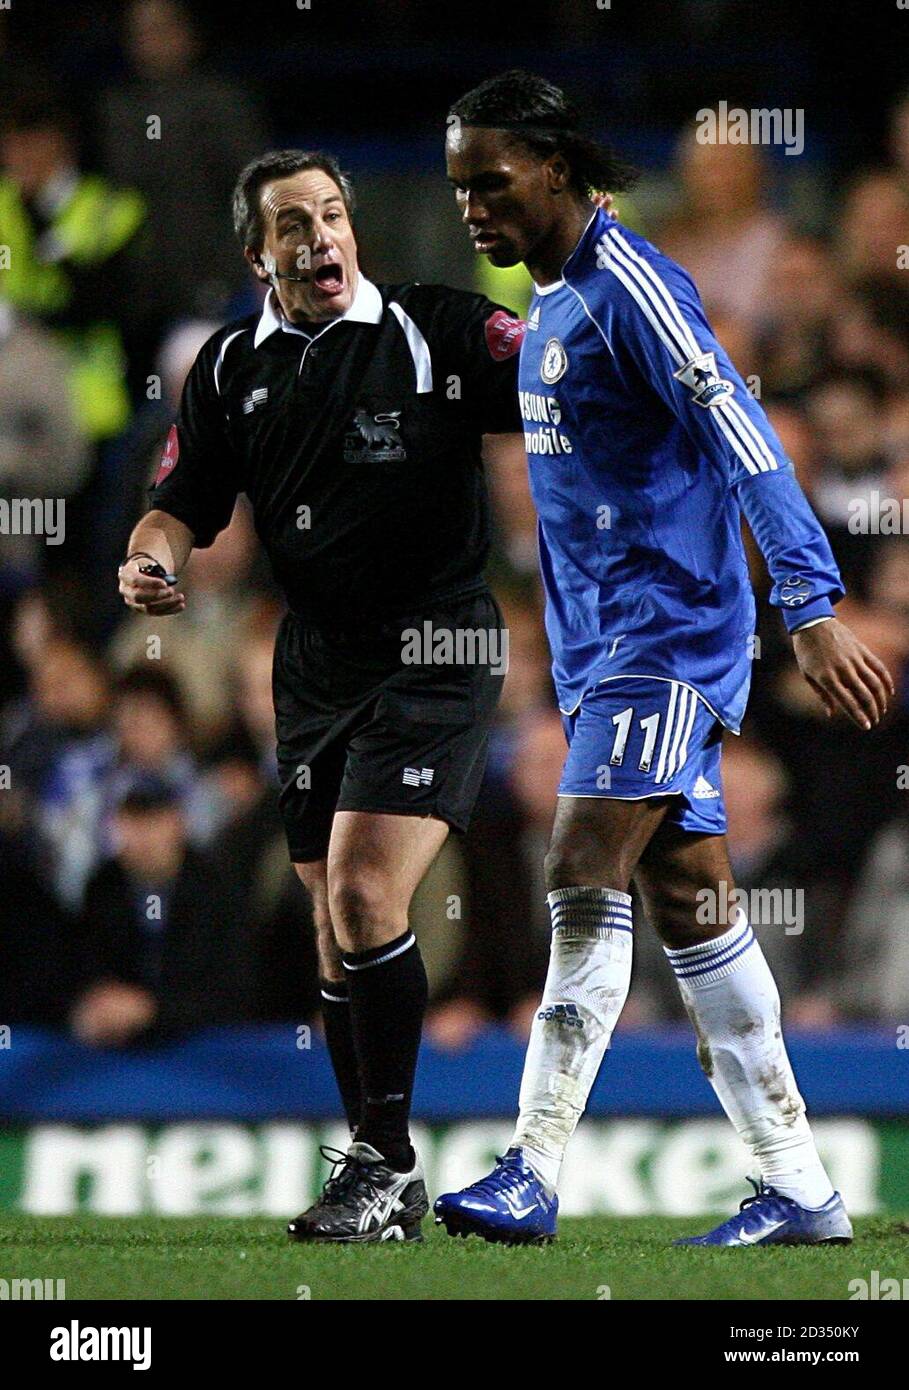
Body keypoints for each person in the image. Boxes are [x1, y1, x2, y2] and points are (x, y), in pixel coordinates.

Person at [434, 70, 893, 1248]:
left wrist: (808, 598)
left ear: (554, 166)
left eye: (491, 181)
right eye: (457, 187)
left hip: (670, 634)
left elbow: (741, 430)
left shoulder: (630, 285)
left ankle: (531, 1167)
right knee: (689, 899)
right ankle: (801, 1185)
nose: (472, 205)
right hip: (604, 650)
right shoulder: (548, 300)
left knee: (582, 857)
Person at [117, 148, 525, 1242]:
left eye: (334, 213)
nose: (320, 235)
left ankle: (383, 1161)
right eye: (292, 222)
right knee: (333, 932)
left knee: (360, 893)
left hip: (435, 642)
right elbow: (179, 501)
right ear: (259, 253)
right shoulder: (225, 371)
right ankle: (380, 1178)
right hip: (315, 664)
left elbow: (565, 384)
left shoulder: (438, 331)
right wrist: (149, 556)